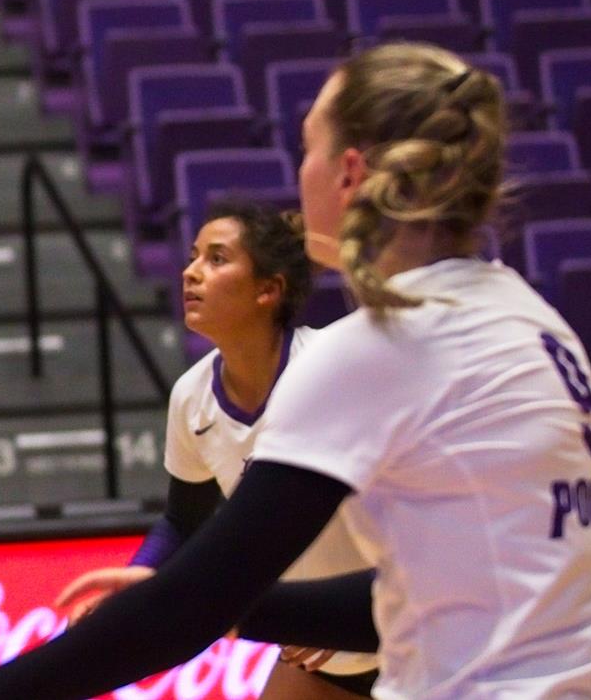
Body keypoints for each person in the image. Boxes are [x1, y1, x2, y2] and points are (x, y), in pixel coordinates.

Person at [0, 42, 591, 699]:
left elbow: (197, 599)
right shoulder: (531, 319)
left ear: (347, 172)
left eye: (306, 145)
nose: (298, 169)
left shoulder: (376, 346)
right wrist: (239, 605)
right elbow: (437, 596)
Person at [50, 201, 377, 699]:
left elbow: (410, 503)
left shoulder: (331, 368)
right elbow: (185, 520)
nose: (190, 272)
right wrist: (146, 576)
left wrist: (337, 613)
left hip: (404, 627)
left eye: (216, 259)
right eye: (192, 256)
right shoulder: (191, 398)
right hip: (317, 653)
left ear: (269, 290)